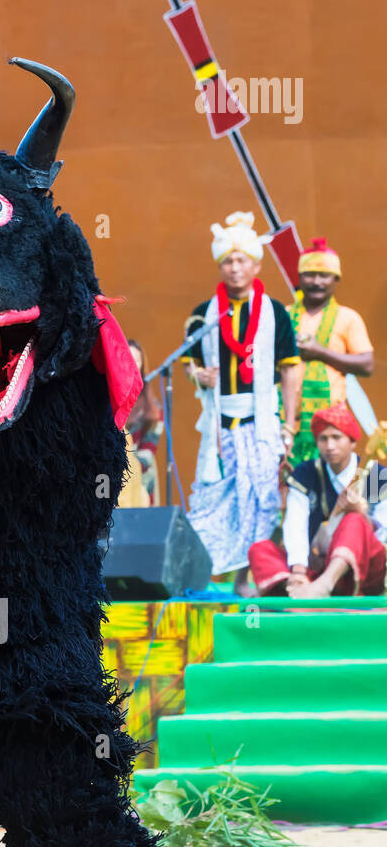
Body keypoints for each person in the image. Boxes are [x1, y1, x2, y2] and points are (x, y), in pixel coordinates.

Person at [182, 211, 300, 594]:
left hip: (261, 422)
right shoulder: (204, 313)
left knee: (260, 499)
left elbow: (291, 368)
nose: (235, 268)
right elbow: (189, 361)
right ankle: (207, 581)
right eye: (228, 261)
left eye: (242, 261)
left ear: (256, 264)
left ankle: (247, 581)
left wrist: (291, 424)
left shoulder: (275, 312)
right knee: (217, 499)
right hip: (220, 426)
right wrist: (198, 375)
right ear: (221, 265)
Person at [248, 404, 387, 598]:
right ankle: (296, 588)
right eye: (323, 438)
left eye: (337, 438)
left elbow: (383, 538)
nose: (330, 446)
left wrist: (360, 513)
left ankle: (324, 585)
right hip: (314, 566)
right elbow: (295, 523)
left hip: (362, 572)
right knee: (260, 548)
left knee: (354, 521)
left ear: (352, 442)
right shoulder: (307, 473)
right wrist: (298, 571)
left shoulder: (376, 475)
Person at [287, 237, 374, 463]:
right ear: (299, 277)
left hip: (330, 430)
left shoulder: (348, 318)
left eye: (324, 275)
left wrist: (320, 353)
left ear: (336, 279)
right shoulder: (283, 316)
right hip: (285, 425)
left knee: (333, 490)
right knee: (289, 489)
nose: (317, 281)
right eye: (309, 274)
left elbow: (367, 365)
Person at [125, 340, 163, 504]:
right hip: (107, 477)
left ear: (142, 366)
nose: (132, 364)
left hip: (141, 478)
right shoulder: (106, 400)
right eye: (128, 358)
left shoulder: (153, 407)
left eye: (137, 360)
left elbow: (148, 454)